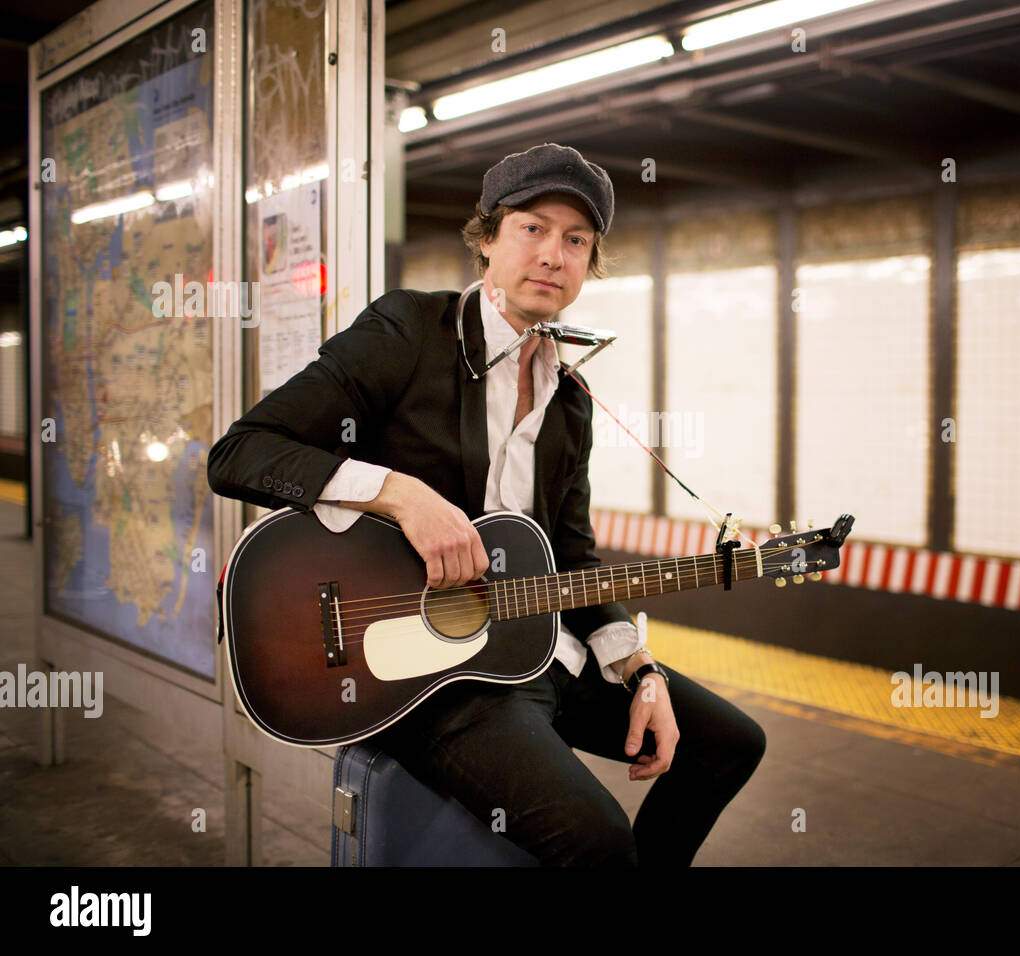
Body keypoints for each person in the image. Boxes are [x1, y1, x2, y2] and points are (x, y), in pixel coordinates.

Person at [207, 142, 765, 866]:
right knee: (598, 843)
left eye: (576, 240)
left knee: (728, 746)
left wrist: (641, 670)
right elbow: (241, 452)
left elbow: (573, 559)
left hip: (539, 650)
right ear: (488, 238)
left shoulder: (570, 399)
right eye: (533, 228)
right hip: (428, 674)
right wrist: (399, 495)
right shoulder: (409, 331)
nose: (553, 255)